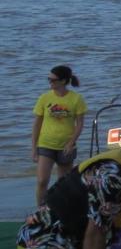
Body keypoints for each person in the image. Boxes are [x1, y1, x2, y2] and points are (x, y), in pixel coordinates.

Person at [32, 65, 88, 207]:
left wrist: (71, 143)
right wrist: (34, 148)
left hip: (66, 146)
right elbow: (37, 124)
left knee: (63, 183)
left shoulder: (76, 99)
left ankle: (59, 210)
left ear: (63, 81)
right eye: (48, 79)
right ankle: (40, 210)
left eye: (53, 80)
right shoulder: (44, 98)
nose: (50, 82)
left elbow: (80, 124)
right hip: (45, 144)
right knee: (42, 180)